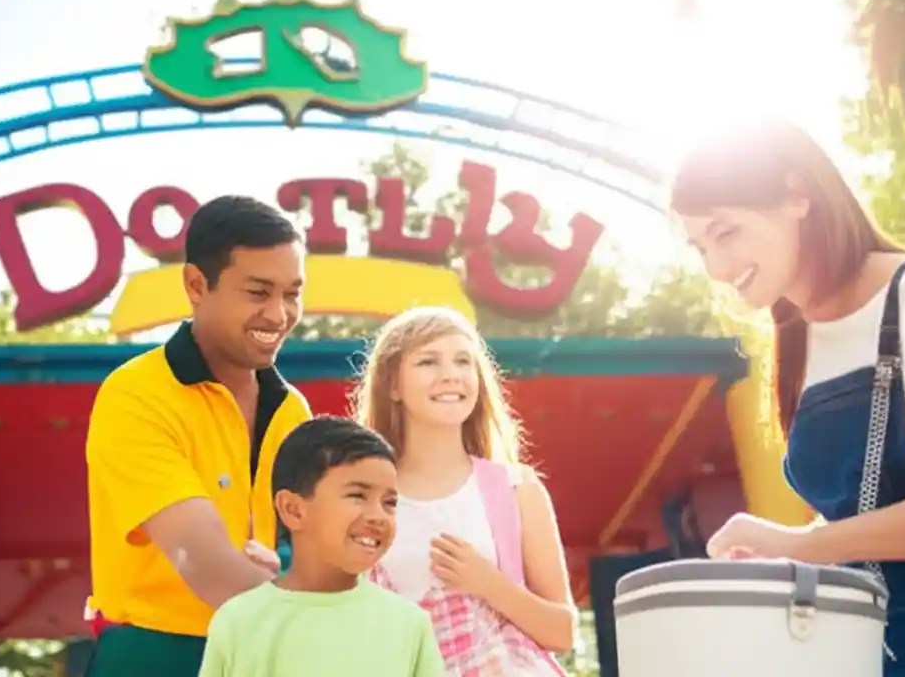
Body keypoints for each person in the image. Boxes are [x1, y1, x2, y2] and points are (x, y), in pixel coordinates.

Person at [672, 119, 905, 675]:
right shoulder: (797, 344)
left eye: (727, 232)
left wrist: (802, 546)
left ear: (797, 194)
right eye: (700, 246)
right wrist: (783, 551)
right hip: (874, 651)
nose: (716, 268)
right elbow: (861, 523)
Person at [83, 195, 312, 676]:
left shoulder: (292, 410)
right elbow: (203, 563)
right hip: (156, 659)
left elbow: (315, 552)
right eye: (258, 292)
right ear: (195, 284)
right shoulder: (137, 394)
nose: (278, 315)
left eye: (292, 293)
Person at [353, 306, 576, 675]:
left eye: (462, 361)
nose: (451, 376)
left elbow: (563, 632)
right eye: (428, 362)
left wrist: (488, 584)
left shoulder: (516, 489)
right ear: (392, 385)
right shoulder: (363, 501)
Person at [198, 415, 446, 677]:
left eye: (389, 503)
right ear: (293, 510)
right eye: (357, 495)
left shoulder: (408, 625)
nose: (378, 516)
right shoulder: (239, 621)